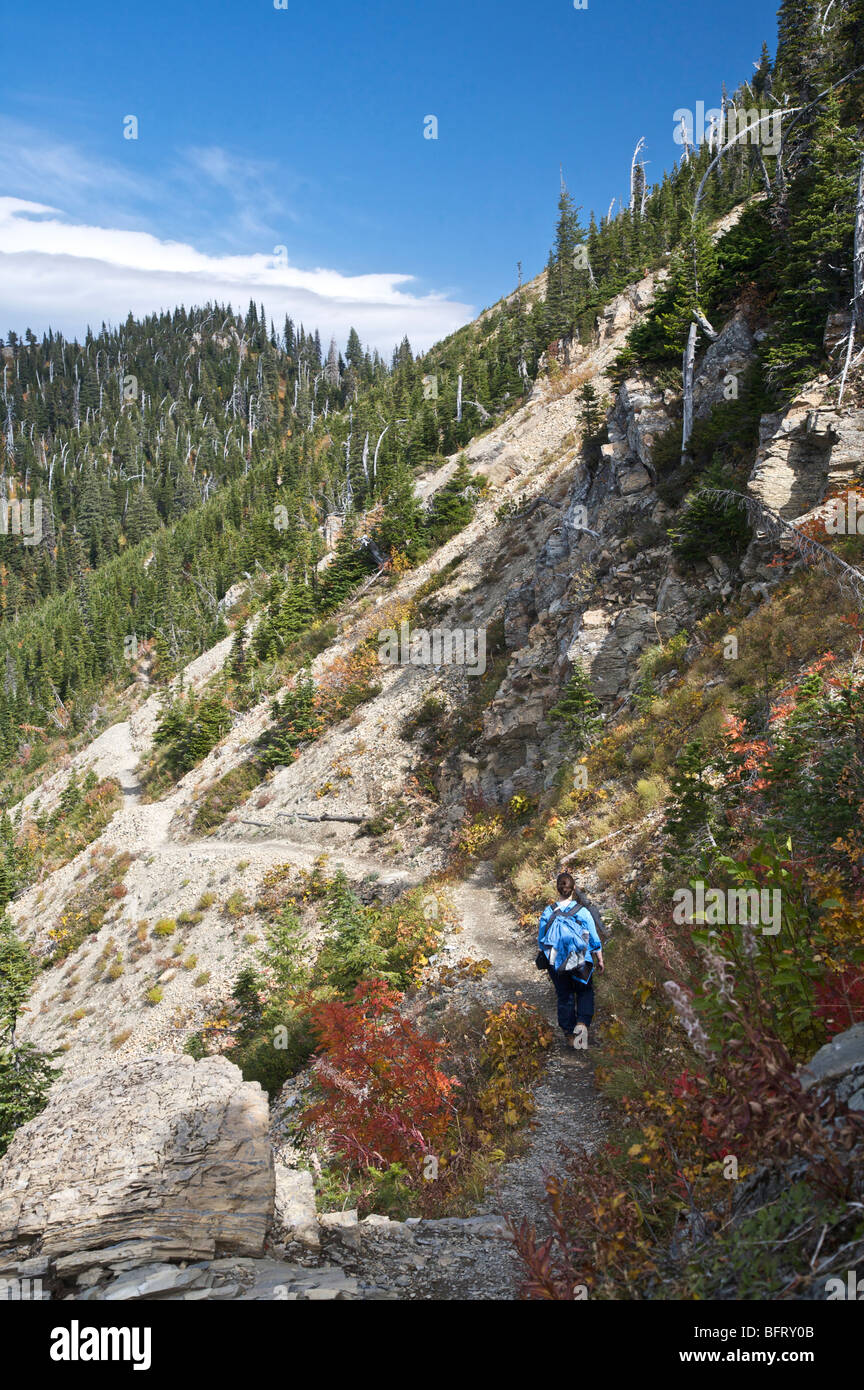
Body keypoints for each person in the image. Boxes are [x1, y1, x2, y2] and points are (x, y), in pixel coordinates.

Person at [537, 869, 604, 1049]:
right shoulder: (582, 912)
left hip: (556, 961)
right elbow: (594, 938)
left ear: (557, 889)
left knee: (564, 995)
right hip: (581, 959)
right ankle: (582, 1022)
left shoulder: (548, 911)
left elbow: (541, 940)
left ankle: (569, 1034)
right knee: (584, 991)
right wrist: (599, 958)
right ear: (573, 889)